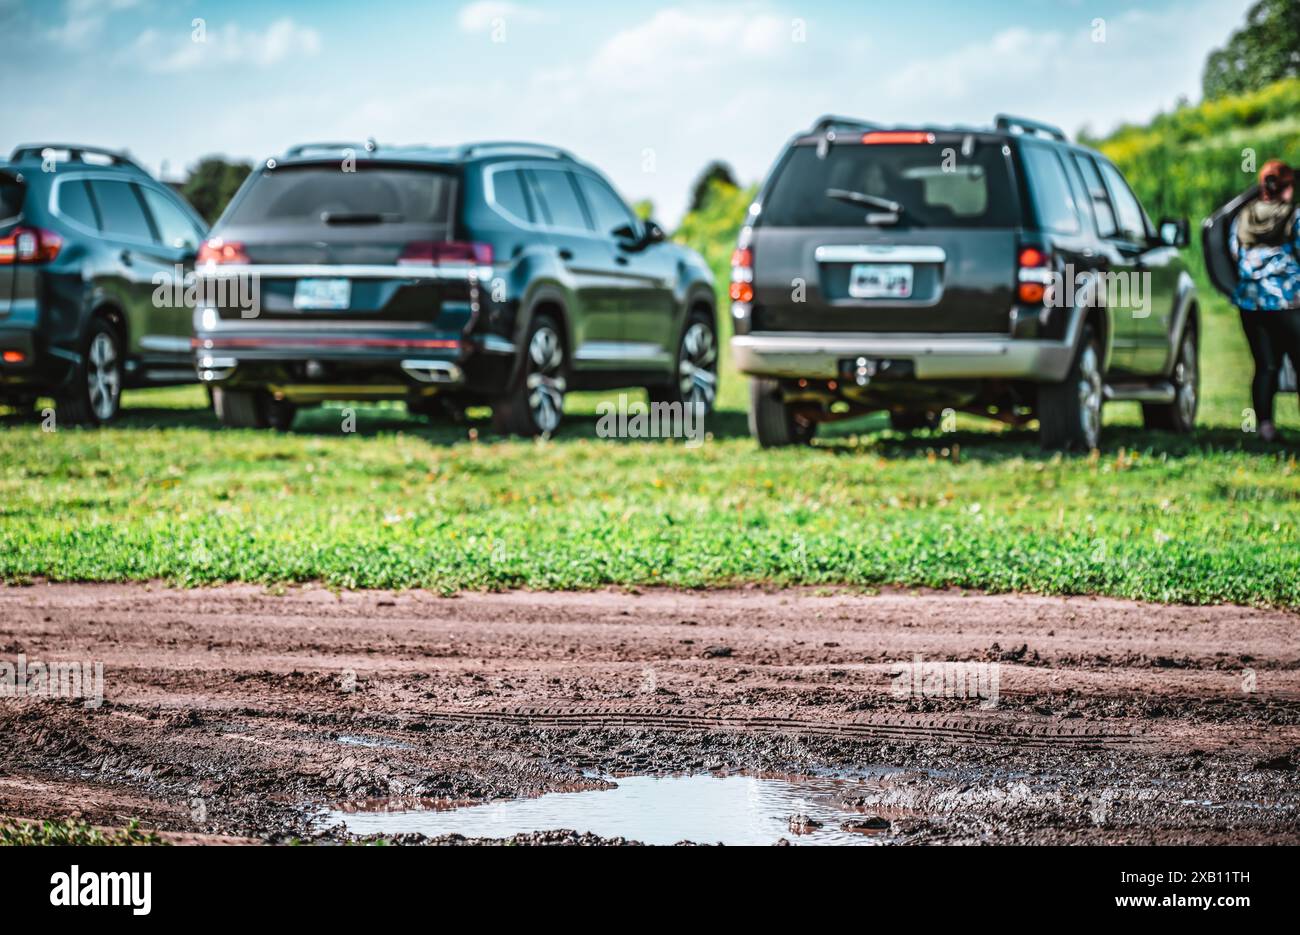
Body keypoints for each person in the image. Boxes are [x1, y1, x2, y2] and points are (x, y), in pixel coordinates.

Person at [1232, 160, 1300, 442]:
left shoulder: (1243, 217)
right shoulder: (1294, 216)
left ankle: (1265, 427)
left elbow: (1233, 254)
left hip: (1251, 303)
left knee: (1265, 365)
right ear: (1287, 188)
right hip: (1288, 303)